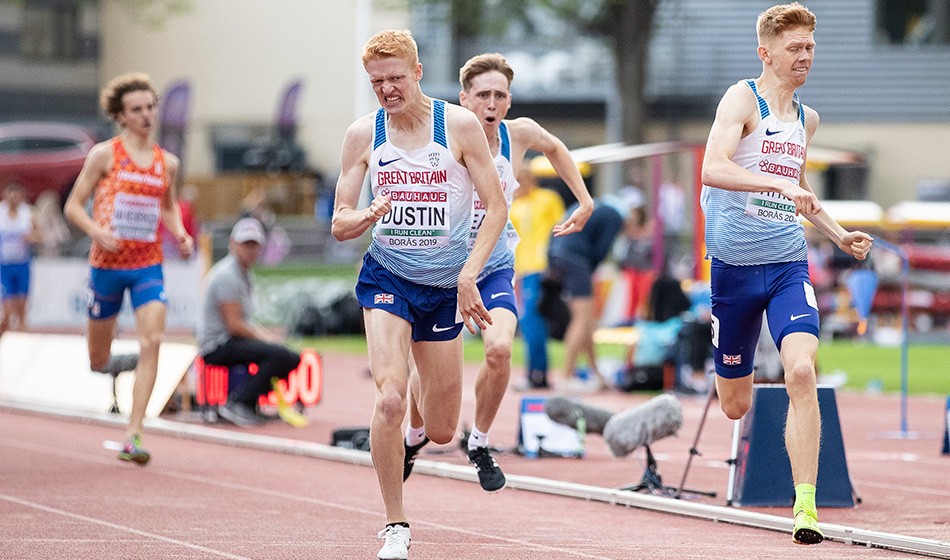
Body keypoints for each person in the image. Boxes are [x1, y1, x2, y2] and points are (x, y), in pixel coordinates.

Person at [700, 3, 873, 545]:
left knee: (801, 372)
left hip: (786, 264)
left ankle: (804, 508)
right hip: (732, 270)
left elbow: (800, 193)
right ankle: (722, 339)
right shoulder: (741, 99)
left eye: (810, 48)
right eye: (795, 48)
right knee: (736, 405)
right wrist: (776, 186)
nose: (805, 57)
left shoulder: (808, 118)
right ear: (766, 53)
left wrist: (838, 233)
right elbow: (713, 167)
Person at [330, 30, 507, 560]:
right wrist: (360, 216)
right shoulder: (364, 134)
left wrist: (470, 273)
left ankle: (414, 396)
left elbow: (495, 208)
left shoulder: (458, 126)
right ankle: (395, 524)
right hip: (387, 276)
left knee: (442, 427)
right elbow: (339, 221)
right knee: (387, 399)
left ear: (418, 72)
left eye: (395, 79)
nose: (387, 90)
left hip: (445, 285)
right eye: (377, 82)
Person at [402, 52, 594, 492]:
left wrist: (583, 200)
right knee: (425, 374)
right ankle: (413, 436)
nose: (491, 103)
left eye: (500, 95)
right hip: (442, 269)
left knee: (500, 350)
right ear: (464, 98)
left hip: (493, 265)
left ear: (509, 101)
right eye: (482, 94)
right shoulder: (444, 131)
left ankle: (481, 442)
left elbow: (557, 148)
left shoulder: (517, 134)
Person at [64, 72, 194, 465]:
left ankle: (133, 434)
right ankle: (116, 367)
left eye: (150, 107)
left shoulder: (166, 163)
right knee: (97, 360)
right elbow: (72, 206)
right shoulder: (105, 155)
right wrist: (97, 231)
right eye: (136, 109)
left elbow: (168, 207)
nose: (146, 115)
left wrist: (182, 235)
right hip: (106, 266)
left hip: (146, 265)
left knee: (152, 340)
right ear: (121, 116)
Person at [197, 217, 300, 427]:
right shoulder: (228, 275)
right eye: (246, 244)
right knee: (282, 356)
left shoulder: (242, 273)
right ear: (233, 244)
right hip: (216, 344)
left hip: (227, 340)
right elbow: (234, 325)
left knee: (284, 354)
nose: (251, 250)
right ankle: (239, 402)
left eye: (254, 244)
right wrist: (267, 338)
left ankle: (247, 402)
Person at [547, 193, 640, 392]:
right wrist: (590, 271)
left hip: (558, 252)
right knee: (581, 319)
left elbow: (555, 228)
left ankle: (596, 373)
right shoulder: (615, 215)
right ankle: (566, 376)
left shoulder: (597, 204)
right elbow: (601, 250)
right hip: (576, 258)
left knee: (586, 320)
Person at [509, 168, 565, 388]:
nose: (520, 184)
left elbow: (559, 229)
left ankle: (538, 373)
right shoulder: (512, 204)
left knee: (533, 320)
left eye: (523, 178)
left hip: (540, 268)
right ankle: (536, 372)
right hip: (519, 270)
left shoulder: (547, 199)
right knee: (527, 321)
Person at [0, 183, 38, 336]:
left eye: (16, 193)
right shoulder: (1, 212)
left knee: (22, 311)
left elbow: (42, 235)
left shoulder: (28, 213)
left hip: (22, 265)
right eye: (10, 193)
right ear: (5, 194)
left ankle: (23, 346)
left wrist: (31, 237)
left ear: (21, 196)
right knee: (7, 312)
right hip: (4, 266)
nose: (13, 197)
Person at [32, 189, 70, 257]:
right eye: (49, 206)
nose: (51, 208)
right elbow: (36, 238)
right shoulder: (37, 220)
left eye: (54, 206)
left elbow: (64, 236)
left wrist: (55, 223)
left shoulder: (57, 219)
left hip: (56, 254)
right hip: (41, 254)